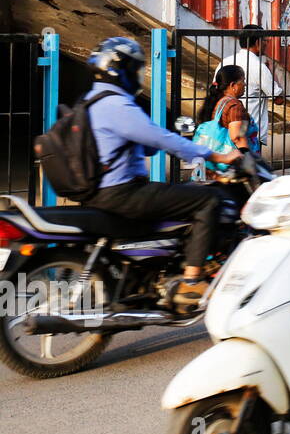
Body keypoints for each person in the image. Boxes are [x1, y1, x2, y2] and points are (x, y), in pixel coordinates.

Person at [80, 37, 242, 307]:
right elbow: (162, 139)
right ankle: (191, 282)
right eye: (134, 70)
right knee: (207, 200)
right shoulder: (117, 104)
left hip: (100, 191)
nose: (136, 76)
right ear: (120, 71)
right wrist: (217, 156)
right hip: (123, 191)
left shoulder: (91, 100)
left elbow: (143, 145)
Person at [220, 24, 283, 155]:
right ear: (258, 42)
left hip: (226, 129)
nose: (267, 45)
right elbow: (279, 99)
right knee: (249, 169)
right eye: (265, 41)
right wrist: (273, 72)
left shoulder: (225, 62)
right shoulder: (260, 68)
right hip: (250, 133)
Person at [197, 64, 253, 157]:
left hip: (215, 158)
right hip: (231, 160)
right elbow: (237, 137)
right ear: (233, 85)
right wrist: (247, 159)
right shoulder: (235, 106)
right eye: (243, 81)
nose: (245, 84)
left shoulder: (220, 101)